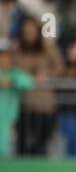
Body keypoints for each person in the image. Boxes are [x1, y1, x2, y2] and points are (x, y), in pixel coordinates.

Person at [13, 15, 64, 155]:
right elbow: (9, 69)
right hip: (22, 104)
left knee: (40, 146)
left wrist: (47, 73)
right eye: (26, 31)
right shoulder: (16, 48)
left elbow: (60, 68)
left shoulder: (48, 47)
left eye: (32, 31)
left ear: (37, 31)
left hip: (45, 105)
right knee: (22, 146)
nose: (29, 34)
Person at [0, 40, 34, 158]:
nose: (3, 59)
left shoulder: (15, 73)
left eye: (6, 56)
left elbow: (29, 82)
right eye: (1, 56)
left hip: (9, 121)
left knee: (5, 152)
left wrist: (12, 81)